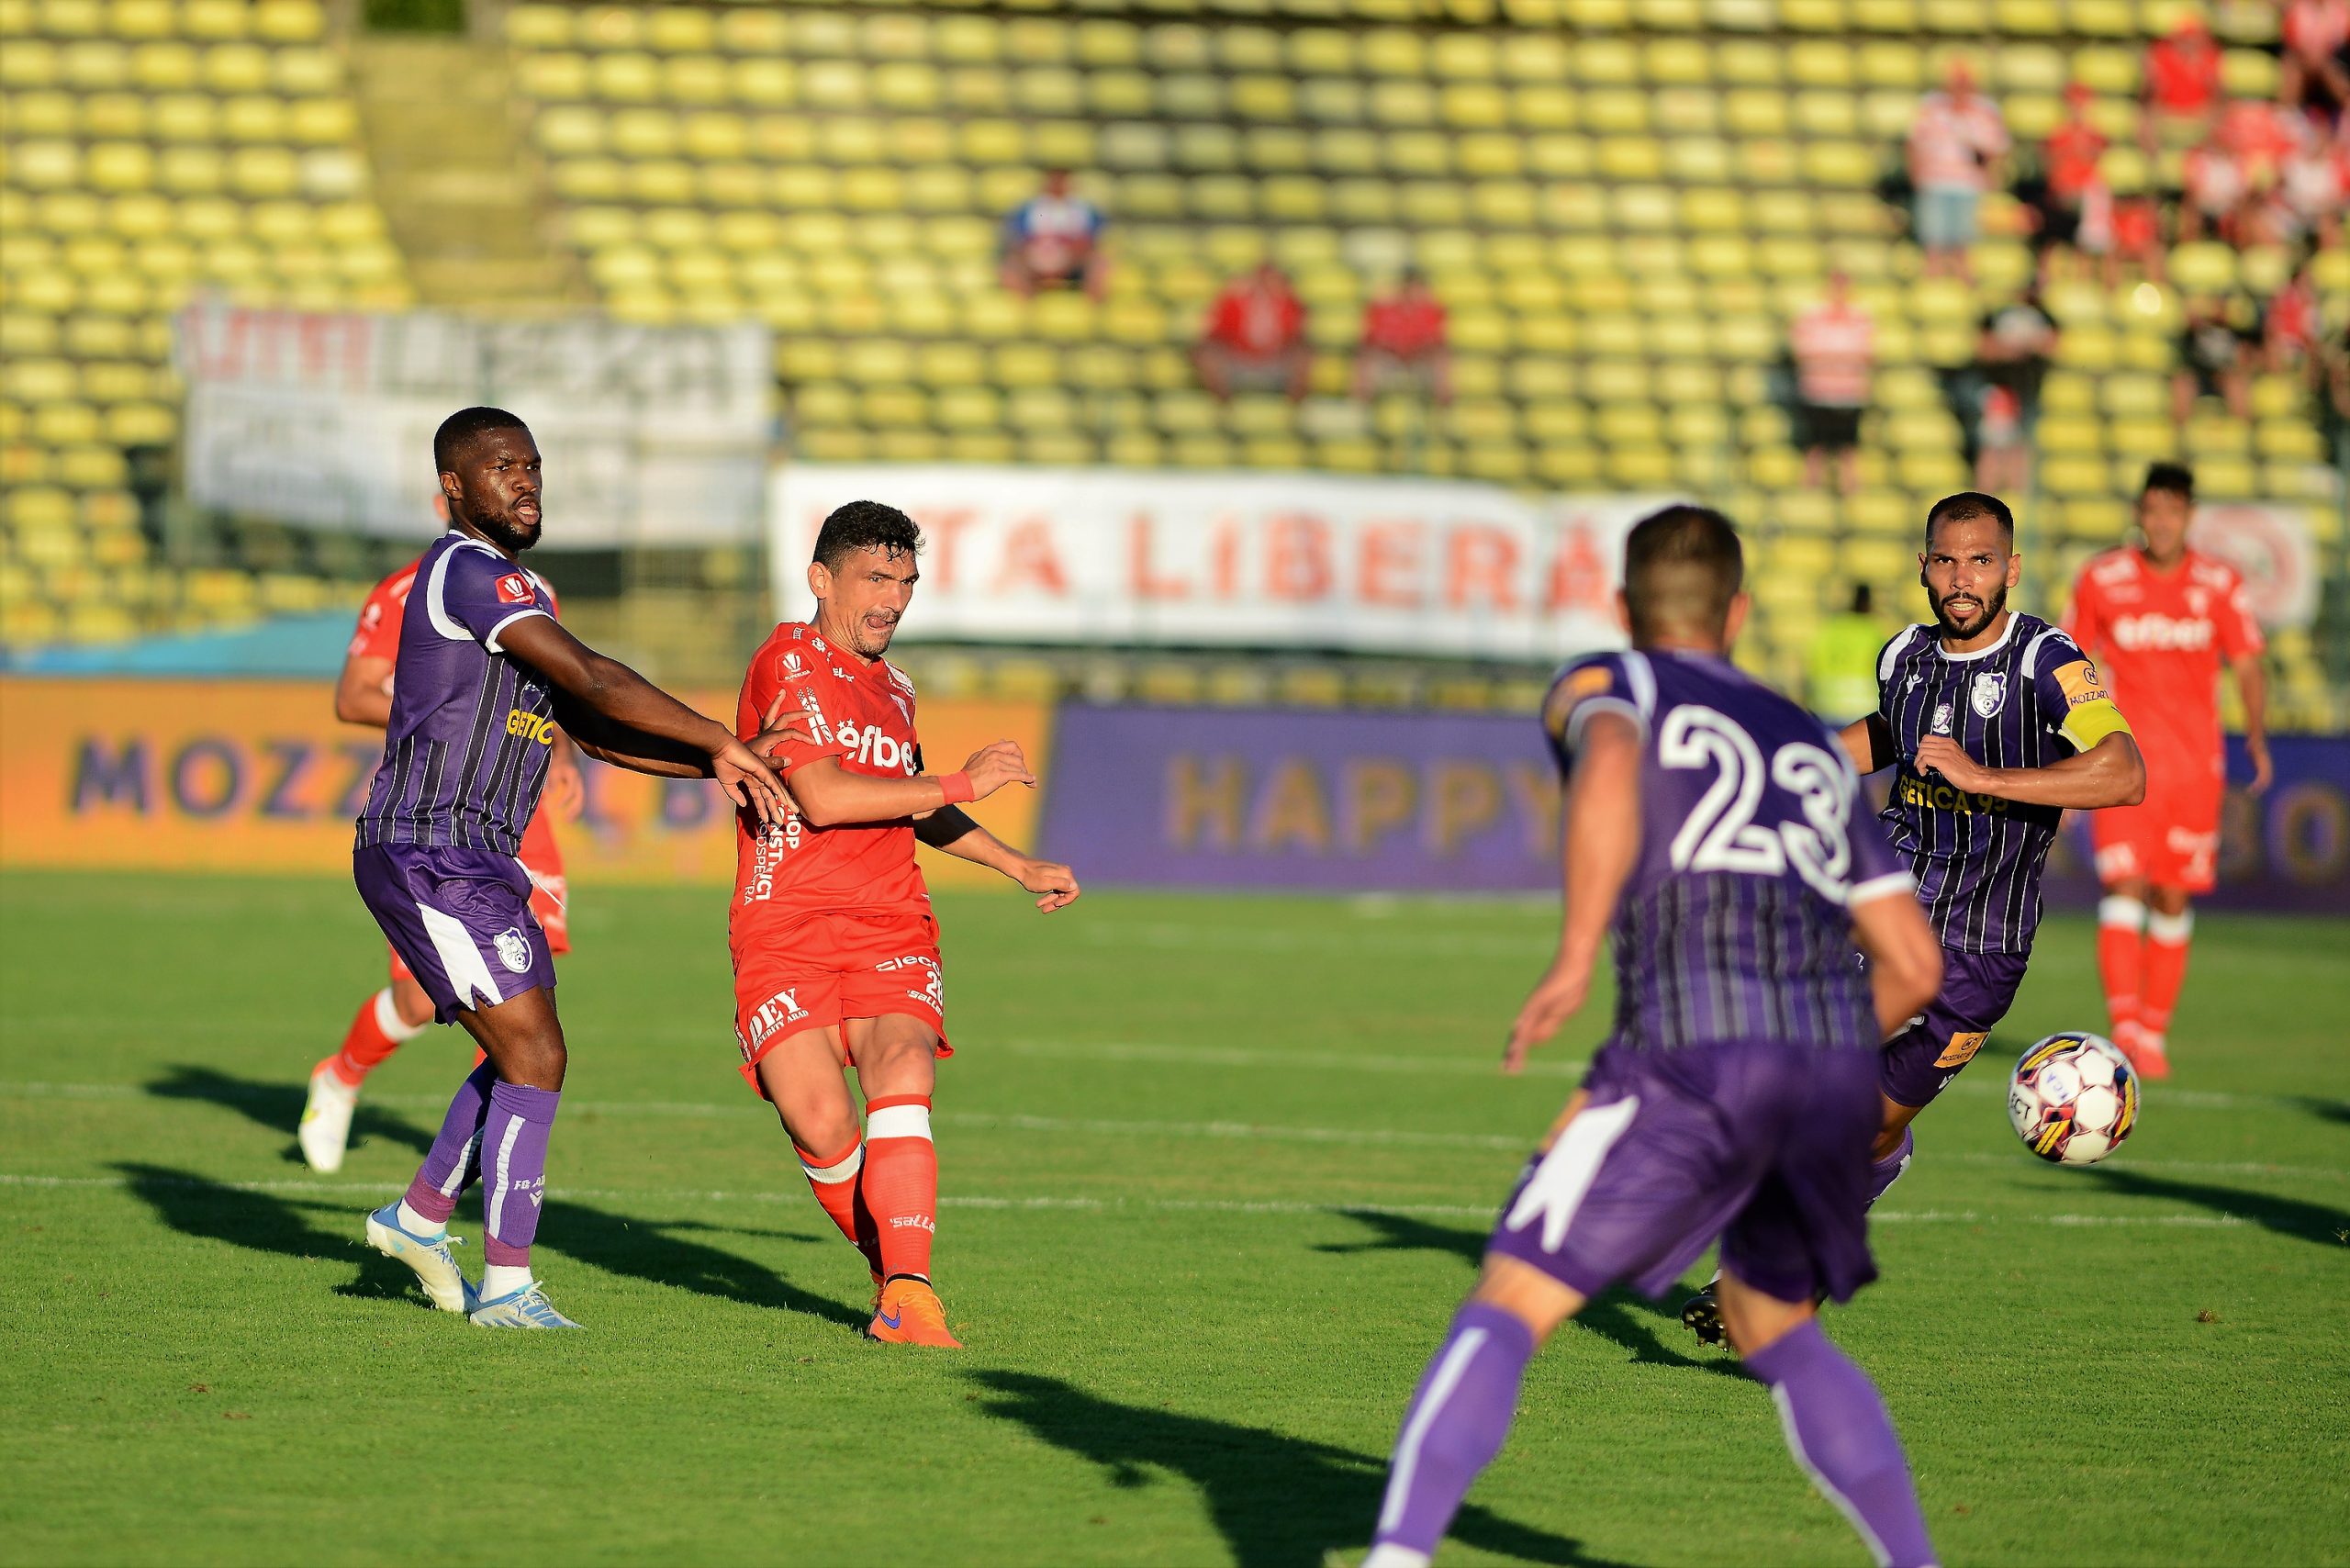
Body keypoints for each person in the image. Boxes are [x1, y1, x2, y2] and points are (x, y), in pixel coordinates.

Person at [1358, 505, 1946, 1568]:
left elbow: (1613, 759)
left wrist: (1577, 953)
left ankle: (1396, 1558)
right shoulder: (1809, 746)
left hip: (1687, 1051)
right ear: (1741, 612)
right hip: (1819, 1070)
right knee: (1774, 1324)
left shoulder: (1611, 685)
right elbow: (1914, 966)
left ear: (1623, 608)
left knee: (1511, 1296)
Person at [355, 406, 793, 1330]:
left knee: (525, 1048)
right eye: (504, 467)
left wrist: (715, 759)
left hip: (480, 858)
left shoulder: (526, 592)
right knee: (536, 1051)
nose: (526, 481)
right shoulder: (466, 573)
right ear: (454, 489)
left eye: (535, 467)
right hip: (427, 850)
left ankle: (419, 1216)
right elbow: (594, 679)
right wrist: (717, 730)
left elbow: (587, 726)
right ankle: (505, 1286)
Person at [1678, 492, 2146, 1345]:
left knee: (1876, 1126)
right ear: (1922, 566)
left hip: (1981, 951)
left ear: (2009, 568)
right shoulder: (1905, 656)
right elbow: (1887, 737)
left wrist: (1990, 780)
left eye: (1979, 561)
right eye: (1944, 560)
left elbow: (2123, 771)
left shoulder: (2048, 661)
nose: (1961, 579)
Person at [729, 499, 1081, 1348]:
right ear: (821, 580)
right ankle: (891, 1276)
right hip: (784, 928)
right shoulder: (786, 663)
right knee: (819, 1122)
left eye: (907, 583)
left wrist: (1014, 863)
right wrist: (963, 781)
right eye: (876, 579)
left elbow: (907, 804)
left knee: (903, 1066)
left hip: (890, 925)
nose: (893, 599)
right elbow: (824, 798)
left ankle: (913, 1297)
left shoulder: (896, 688)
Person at [298, 520, 582, 1174]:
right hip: (440, 810)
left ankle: (490, 1153)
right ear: (450, 492)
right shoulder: (410, 588)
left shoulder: (536, 589)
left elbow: (545, 684)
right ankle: (341, 1077)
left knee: (526, 997)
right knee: (422, 1001)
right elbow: (354, 694)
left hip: (517, 809)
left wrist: (561, 751)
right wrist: (447, 703)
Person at [2065, 464, 2269, 1081]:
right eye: (2151, 511)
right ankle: (2126, 1028)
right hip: (2123, 765)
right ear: (2139, 512)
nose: (2160, 523)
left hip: (2192, 770)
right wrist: (2071, 751)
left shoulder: (2219, 583)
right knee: (2123, 887)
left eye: (2172, 512)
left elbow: (2248, 662)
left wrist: (2257, 734)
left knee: (2171, 895)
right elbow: (2073, 664)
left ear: (2188, 516)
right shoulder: (2103, 578)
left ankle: (2154, 1029)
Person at [1907, 62, 2009, 280]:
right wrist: (1916, 171)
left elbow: (1996, 149)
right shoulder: (1931, 107)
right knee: (1933, 236)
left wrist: (1990, 171)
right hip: (1935, 180)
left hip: (1967, 183)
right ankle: (1933, 275)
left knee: (1963, 238)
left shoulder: (1984, 112)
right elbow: (1914, 142)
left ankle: (1962, 276)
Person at [1791, 270, 1873, 494]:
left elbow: (1867, 355)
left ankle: (1850, 492)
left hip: (1849, 393)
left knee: (1848, 448)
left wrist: (1831, 360)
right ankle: (1810, 492)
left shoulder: (1860, 317)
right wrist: (1841, 361)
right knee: (1815, 446)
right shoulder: (1812, 315)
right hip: (1818, 391)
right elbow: (1803, 352)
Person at [1973, 292, 2058, 491]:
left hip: (2029, 390)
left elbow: (2053, 345)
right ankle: (1987, 492)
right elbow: (1984, 348)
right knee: (1993, 446)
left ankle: (2017, 495)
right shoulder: (1998, 315)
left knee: (2021, 446)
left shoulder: (2041, 315)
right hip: (2001, 390)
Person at [1195, 261, 1310, 402]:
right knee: (1207, 354)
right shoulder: (1233, 302)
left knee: (1303, 355)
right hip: (1237, 359)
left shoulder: (1289, 303)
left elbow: (1300, 333)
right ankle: (1224, 410)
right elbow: (1212, 333)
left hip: (1277, 361)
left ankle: (1292, 413)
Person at [2036, 84, 2109, 285]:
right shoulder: (2058, 134)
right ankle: (2045, 279)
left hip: (2084, 196)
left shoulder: (2094, 134)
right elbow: (2051, 164)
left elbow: (2097, 159)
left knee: (2085, 244)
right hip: (2063, 196)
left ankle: (2083, 282)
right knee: (2052, 241)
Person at [998, 168, 1108, 299]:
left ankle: (1092, 310)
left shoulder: (1084, 210)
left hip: (1074, 262)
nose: (1058, 185)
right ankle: (1025, 310)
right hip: (1035, 259)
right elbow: (1018, 240)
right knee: (1011, 267)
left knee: (1099, 264)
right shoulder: (1029, 210)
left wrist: (1069, 257)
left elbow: (1091, 241)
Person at [1353, 269, 1451, 405]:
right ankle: (1361, 407)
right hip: (1390, 358)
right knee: (1367, 357)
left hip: (1419, 359)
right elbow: (1371, 339)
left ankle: (1444, 410)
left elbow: (1436, 340)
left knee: (1440, 358)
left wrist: (1417, 350)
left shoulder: (1432, 311)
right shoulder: (1383, 309)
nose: (1414, 294)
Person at [2139, 15, 2223, 152]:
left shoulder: (2210, 56)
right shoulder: (2162, 54)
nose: (2190, 43)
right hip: (2167, 111)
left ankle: (2208, 158)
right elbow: (2152, 92)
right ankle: (2153, 159)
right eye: (2185, 39)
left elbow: (2217, 92)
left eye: (2194, 39)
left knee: (2219, 116)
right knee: (2147, 116)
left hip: (2199, 111)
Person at [1808, 582, 1886, 722]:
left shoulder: (1831, 628)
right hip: (1861, 707)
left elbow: (1814, 661)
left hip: (1825, 703)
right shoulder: (1872, 630)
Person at [2174, 294, 2257, 422]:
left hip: (2226, 373)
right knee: (2183, 384)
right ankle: (2179, 435)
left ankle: (2242, 433)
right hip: (2198, 372)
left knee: (2237, 386)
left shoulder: (2237, 329)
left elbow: (2247, 353)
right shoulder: (2195, 328)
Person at [2281, 0, 2350, 119]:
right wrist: (2311, 61)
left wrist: (2323, 62)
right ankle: (2287, 117)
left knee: (2334, 74)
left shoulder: (2341, 13)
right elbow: (2291, 45)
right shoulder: (2297, 11)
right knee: (2291, 69)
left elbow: (2342, 48)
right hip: (2304, 63)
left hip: (2331, 65)